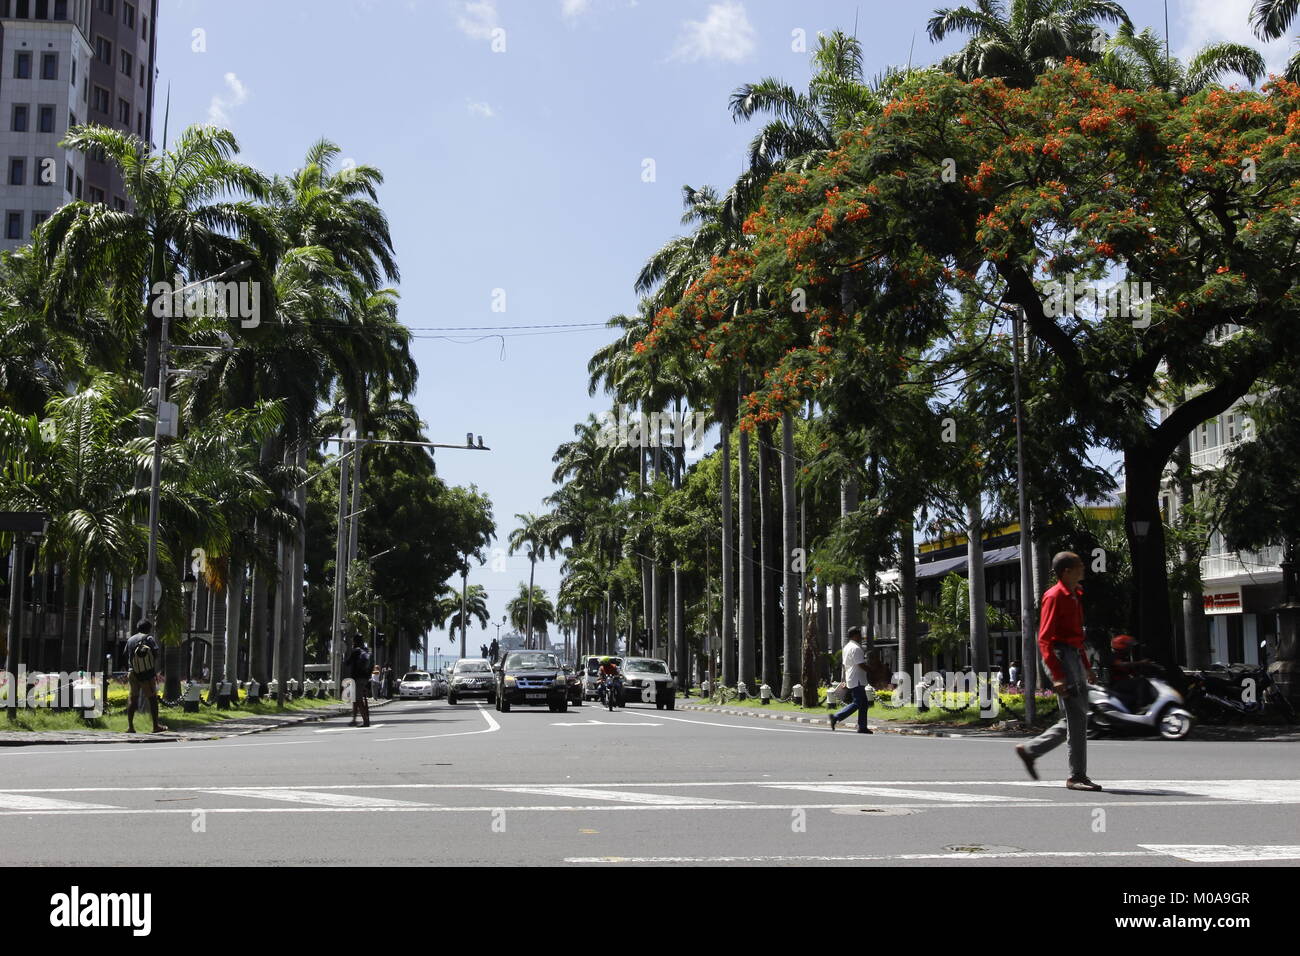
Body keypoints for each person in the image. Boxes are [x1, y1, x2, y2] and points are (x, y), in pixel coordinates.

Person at [1015, 552, 1102, 791]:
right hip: (1062, 658)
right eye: (1079, 565)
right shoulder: (1054, 596)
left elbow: (1077, 637)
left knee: (1076, 717)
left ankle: (1031, 750)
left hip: (1073, 658)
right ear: (1066, 571)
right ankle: (1076, 776)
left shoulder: (1076, 594)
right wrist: (1056, 675)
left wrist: (1086, 666)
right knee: (1077, 718)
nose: (1084, 568)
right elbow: (1044, 639)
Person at [829, 626, 873, 734]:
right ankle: (836, 717)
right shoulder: (856, 648)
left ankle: (862, 727)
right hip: (857, 679)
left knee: (863, 703)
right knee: (858, 702)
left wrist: (843, 679)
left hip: (851, 678)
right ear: (855, 636)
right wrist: (871, 670)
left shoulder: (847, 647)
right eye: (859, 635)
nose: (861, 637)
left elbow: (844, 666)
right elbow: (860, 664)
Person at [124, 621, 167, 734]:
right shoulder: (149, 638)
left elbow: (126, 655)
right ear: (148, 629)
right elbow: (155, 653)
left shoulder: (130, 640)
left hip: (132, 672)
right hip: (146, 674)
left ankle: (130, 727)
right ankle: (155, 726)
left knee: (133, 699)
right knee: (152, 699)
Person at [346, 641, 373, 727]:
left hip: (357, 679)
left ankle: (366, 721)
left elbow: (348, 662)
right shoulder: (366, 651)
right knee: (355, 699)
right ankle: (354, 719)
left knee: (358, 699)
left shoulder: (356, 651)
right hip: (365, 678)